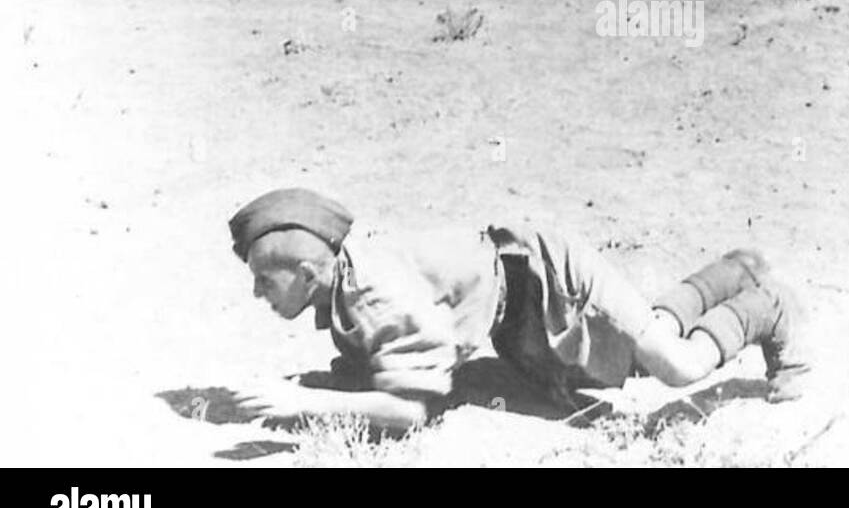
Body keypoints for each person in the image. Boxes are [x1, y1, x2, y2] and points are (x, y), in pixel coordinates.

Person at [228, 188, 809, 432]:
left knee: (674, 365)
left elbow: (410, 412)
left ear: (308, 272)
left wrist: (301, 401)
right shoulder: (341, 276)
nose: (258, 295)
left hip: (545, 274)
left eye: (264, 281)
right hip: (516, 309)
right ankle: (735, 270)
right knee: (627, 356)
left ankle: (770, 307)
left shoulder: (374, 296)